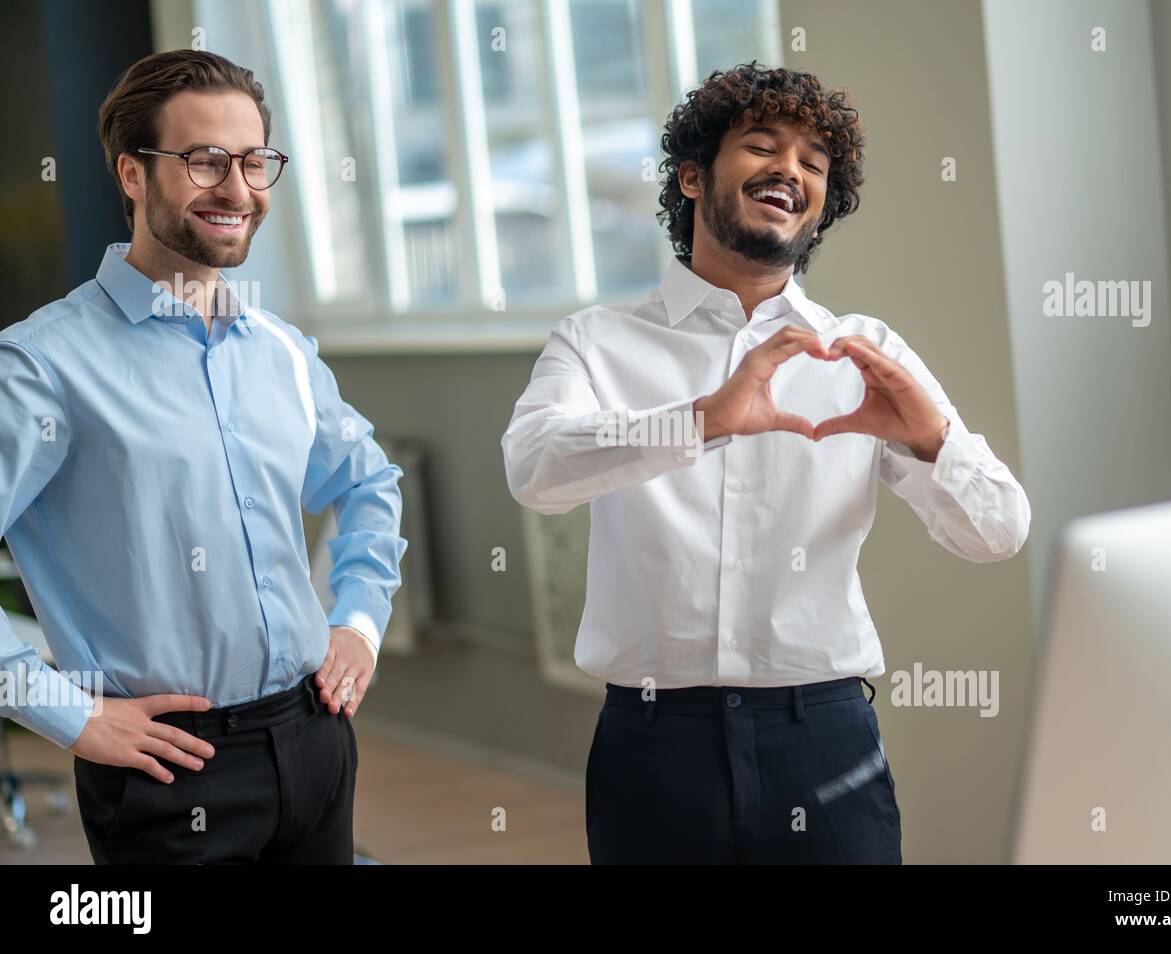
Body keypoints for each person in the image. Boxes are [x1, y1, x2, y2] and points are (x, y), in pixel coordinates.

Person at [502, 62, 1030, 864]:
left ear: (821, 206)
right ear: (691, 177)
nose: (791, 169)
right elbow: (534, 469)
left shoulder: (865, 352)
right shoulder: (595, 341)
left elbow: (1000, 531)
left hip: (823, 739)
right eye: (762, 146)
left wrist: (933, 441)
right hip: (653, 747)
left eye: (814, 164)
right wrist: (701, 421)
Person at [0, 50, 406, 864]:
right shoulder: (42, 365)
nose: (238, 188)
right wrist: (67, 713)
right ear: (132, 173)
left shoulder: (283, 351)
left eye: (254, 161)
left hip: (316, 738)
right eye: (205, 161)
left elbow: (368, 482)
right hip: (167, 768)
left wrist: (357, 624)